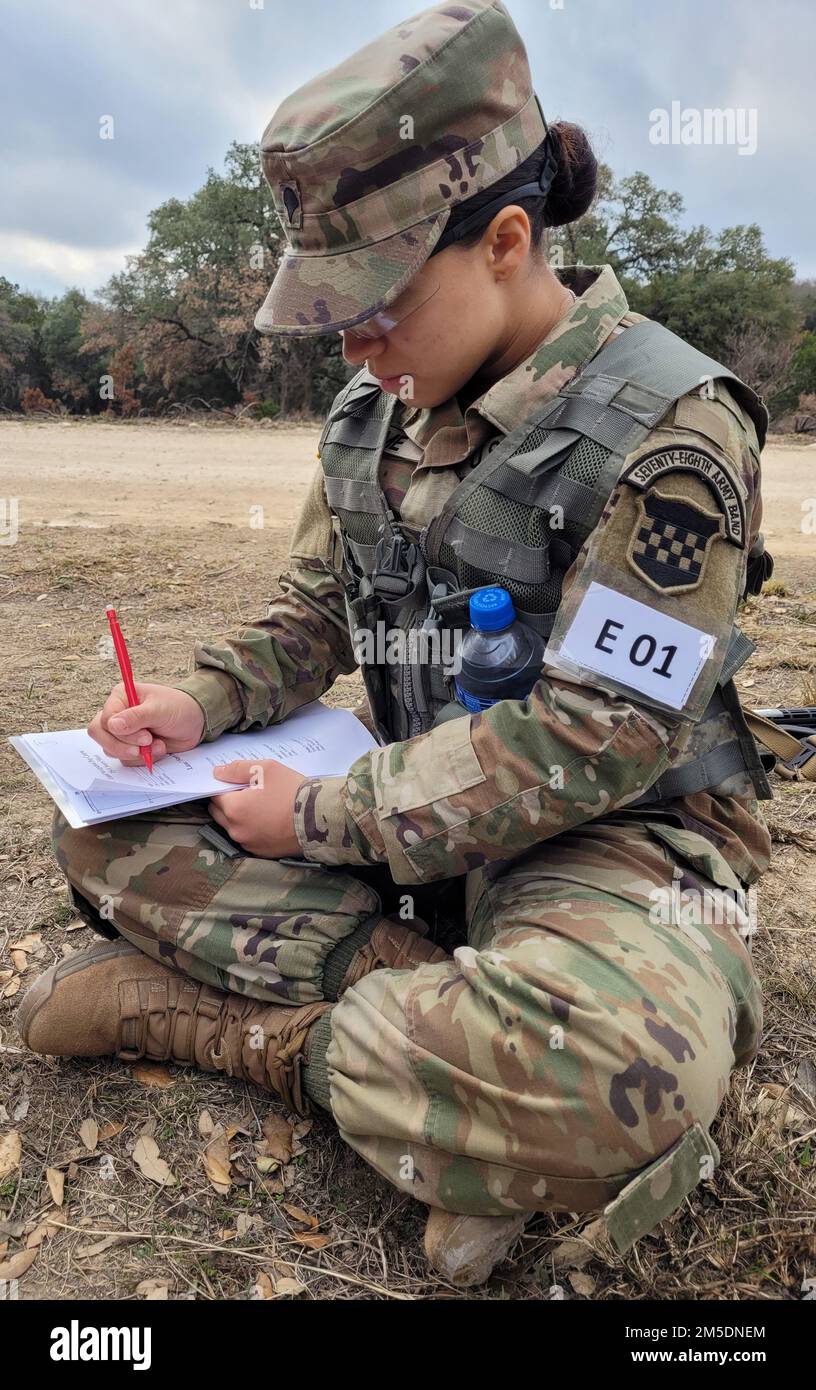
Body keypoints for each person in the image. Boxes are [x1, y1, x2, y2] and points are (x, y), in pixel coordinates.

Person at [18, 0, 773, 1287]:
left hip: (614, 837)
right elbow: (316, 608)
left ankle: (249, 1033)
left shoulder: (672, 434)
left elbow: (599, 740)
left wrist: (321, 819)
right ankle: (413, 999)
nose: (352, 345)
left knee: (624, 1078)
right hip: (401, 814)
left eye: (374, 306)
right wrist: (198, 711)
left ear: (507, 241)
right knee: (96, 830)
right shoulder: (376, 407)